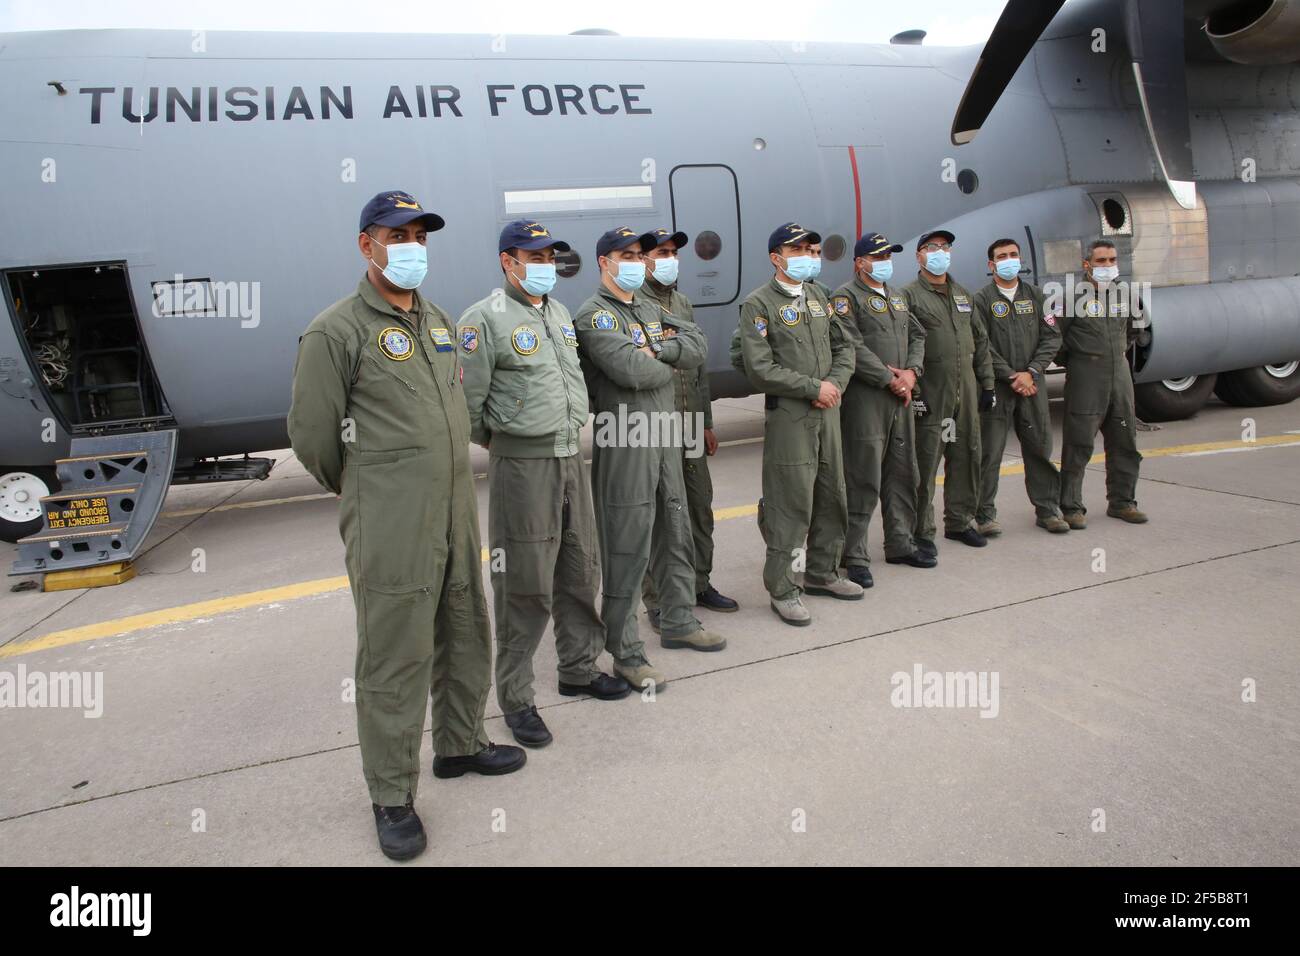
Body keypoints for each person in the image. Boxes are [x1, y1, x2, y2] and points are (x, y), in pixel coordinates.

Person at [288, 190, 524, 863]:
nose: (412, 248)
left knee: (464, 626)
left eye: (420, 236)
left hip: (452, 512)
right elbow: (312, 437)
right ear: (367, 245)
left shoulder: (438, 319)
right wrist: (372, 487)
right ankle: (391, 796)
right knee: (395, 656)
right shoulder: (335, 332)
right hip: (392, 524)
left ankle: (459, 744)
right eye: (398, 236)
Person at [458, 220, 631, 750]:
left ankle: (578, 667)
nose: (544, 265)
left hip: (568, 459)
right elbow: (469, 409)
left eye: (549, 256)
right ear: (507, 262)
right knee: (524, 586)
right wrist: (513, 441)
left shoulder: (556, 312)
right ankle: (516, 699)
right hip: (523, 468)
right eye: (533, 257)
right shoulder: (483, 319)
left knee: (580, 568)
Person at [576, 227, 728, 694]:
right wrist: (664, 356)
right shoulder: (595, 315)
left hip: (664, 435)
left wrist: (657, 347)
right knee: (627, 544)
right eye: (626, 255)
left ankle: (679, 620)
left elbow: (700, 346)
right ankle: (626, 652)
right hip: (625, 440)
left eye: (640, 255)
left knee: (675, 528)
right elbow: (629, 370)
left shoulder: (650, 308)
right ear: (604, 262)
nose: (637, 262)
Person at [737, 222, 861, 626]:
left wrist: (834, 385)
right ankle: (784, 586)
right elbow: (758, 367)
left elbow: (846, 347)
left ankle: (823, 572)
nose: (810, 256)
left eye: (813, 249)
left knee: (832, 493)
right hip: (791, 416)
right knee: (791, 503)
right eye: (799, 250)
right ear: (777, 258)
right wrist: (812, 387)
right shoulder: (759, 305)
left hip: (829, 409)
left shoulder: (820, 296)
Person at [638, 227, 739, 630]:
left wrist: (707, 422)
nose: (670, 260)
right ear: (642, 259)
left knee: (698, 507)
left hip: (691, 424)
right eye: (661, 252)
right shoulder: (634, 305)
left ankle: (699, 584)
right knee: (661, 514)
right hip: (656, 427)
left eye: (673, 253)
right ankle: (658, 598)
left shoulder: (681, 301)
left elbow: (697, 370)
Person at [831, 232, 933, 587]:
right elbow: (851, 346)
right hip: (867, 400)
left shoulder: (898, 296)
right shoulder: (845, 298)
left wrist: (911, 372)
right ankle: (854, 554)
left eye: (889, 255)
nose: (885, 261)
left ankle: (901, 542)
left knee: (904, 472)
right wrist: (888, 379)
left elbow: (918, 336)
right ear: (860, 263)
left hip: (901, 398)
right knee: (863, 477)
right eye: (878, 256)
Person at [902, 229, 995, 557]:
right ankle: (921, 530)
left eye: (945, 247)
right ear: (919, 256)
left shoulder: (963, 295)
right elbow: (905, 348)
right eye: (932, 247)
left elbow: (980, 342)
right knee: (926, 463)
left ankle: (959, 521)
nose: (940, 252)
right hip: (933, 393)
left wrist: (987, 385)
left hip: (966, 393)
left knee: (966, 456)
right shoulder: (909, 297)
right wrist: (914, 395)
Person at [972, 238, 1069, 535]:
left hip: (1032, 386)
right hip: (999, 388)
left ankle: (1048, 510)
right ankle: (985, 515)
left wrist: (1031, 371)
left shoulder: (1037, 296)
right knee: (990, 452)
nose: (1009, 260)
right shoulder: (982, 300)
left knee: (1039, 447)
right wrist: (1011, 376)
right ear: (991, 265)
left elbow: (1052, 337)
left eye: (1013, 255)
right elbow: (980, 344)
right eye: (1002, 256)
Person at [1058, 239, 1148, 527]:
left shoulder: (1127, 294)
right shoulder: (1071, 298)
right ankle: (1071, 506)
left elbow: (1135, 330)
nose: (1108, 266)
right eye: (1101, 262)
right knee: (1079, 442)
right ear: (1087, 265)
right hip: (1086, 374)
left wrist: (1115, 352)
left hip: (1119, 374)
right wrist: (1080, 360)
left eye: (1111, 260)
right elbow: (1056, 339)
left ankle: (1123, 502)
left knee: (1125, 440)